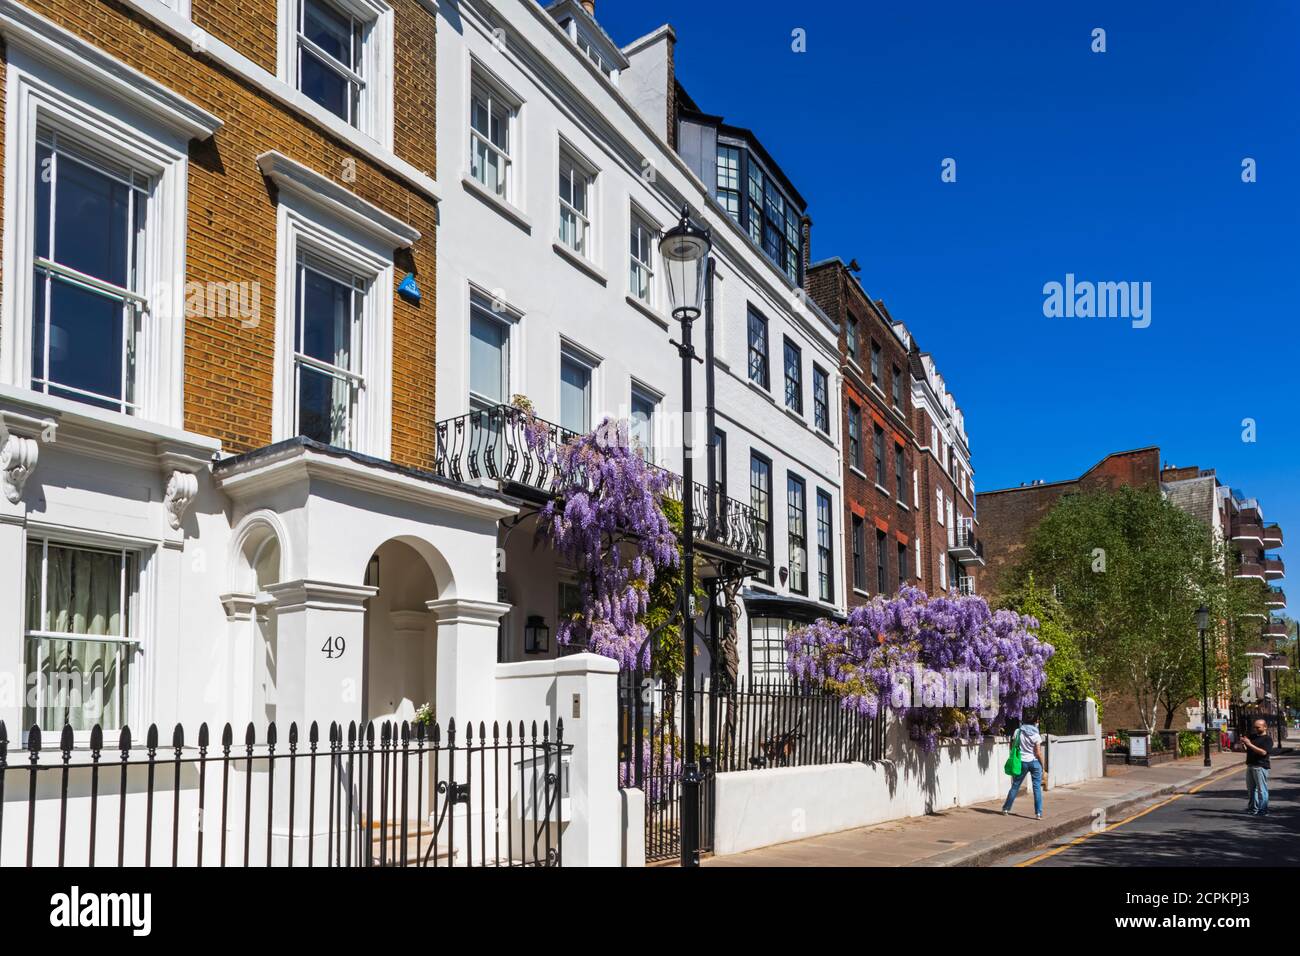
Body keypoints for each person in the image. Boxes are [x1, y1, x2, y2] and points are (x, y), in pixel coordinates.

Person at [1002, 718, 1045, 819]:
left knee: (1015, 786)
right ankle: (1038, 813)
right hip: (1034, 762)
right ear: (1034, 723)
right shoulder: (1036, 735)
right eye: (1037, 722)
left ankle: (1006, 808)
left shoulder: (1018, 731)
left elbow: (1012, 746)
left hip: (1022, 762)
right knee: (1037, 788)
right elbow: (1038, 753)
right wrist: (1043, 765)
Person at [1241, 718, 1273, 816]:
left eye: (1258, 727)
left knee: (1261, 789)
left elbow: (1263, 752)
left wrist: (1249, 744)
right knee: (1251, 790)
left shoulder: (1267, 739)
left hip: (1260, 766)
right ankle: (1253, 808)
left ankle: (1263, 810)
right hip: (1250, 765)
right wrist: (1244, 744)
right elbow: (1248, 749)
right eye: (1255, 727)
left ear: (1265, 727)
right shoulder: (1253, 736)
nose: (1255, 729)